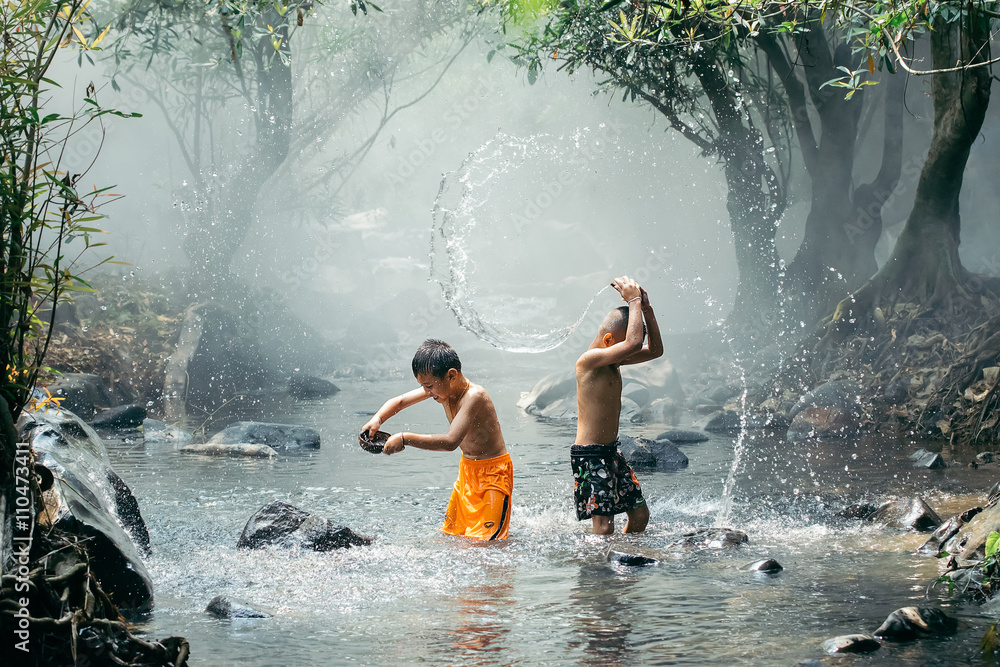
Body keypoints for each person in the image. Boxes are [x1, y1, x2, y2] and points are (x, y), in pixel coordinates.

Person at [362, 339, 512, 541]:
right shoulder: (442, 389)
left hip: (493, 476)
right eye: (423, 386)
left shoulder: (474, 396)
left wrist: (405, 438)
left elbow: (451, 442)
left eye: (429, 386)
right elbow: (399, 401)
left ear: (451, 375)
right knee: (453, 536)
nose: (426, 392)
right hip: (467, 472)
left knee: (488, 544)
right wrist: (377, 419)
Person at [572, 275, 663, 534]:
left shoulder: (613, 361)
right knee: (604, 525)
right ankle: (599, 572)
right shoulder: (588, 361)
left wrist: (646, 309)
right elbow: (634, 343)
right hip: (590, 456)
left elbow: (654, 350)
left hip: (611, 452)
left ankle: (625, 562)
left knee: (640, 515)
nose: (630, 354)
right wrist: (633, 301)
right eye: (624, 349)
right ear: (610, 341)